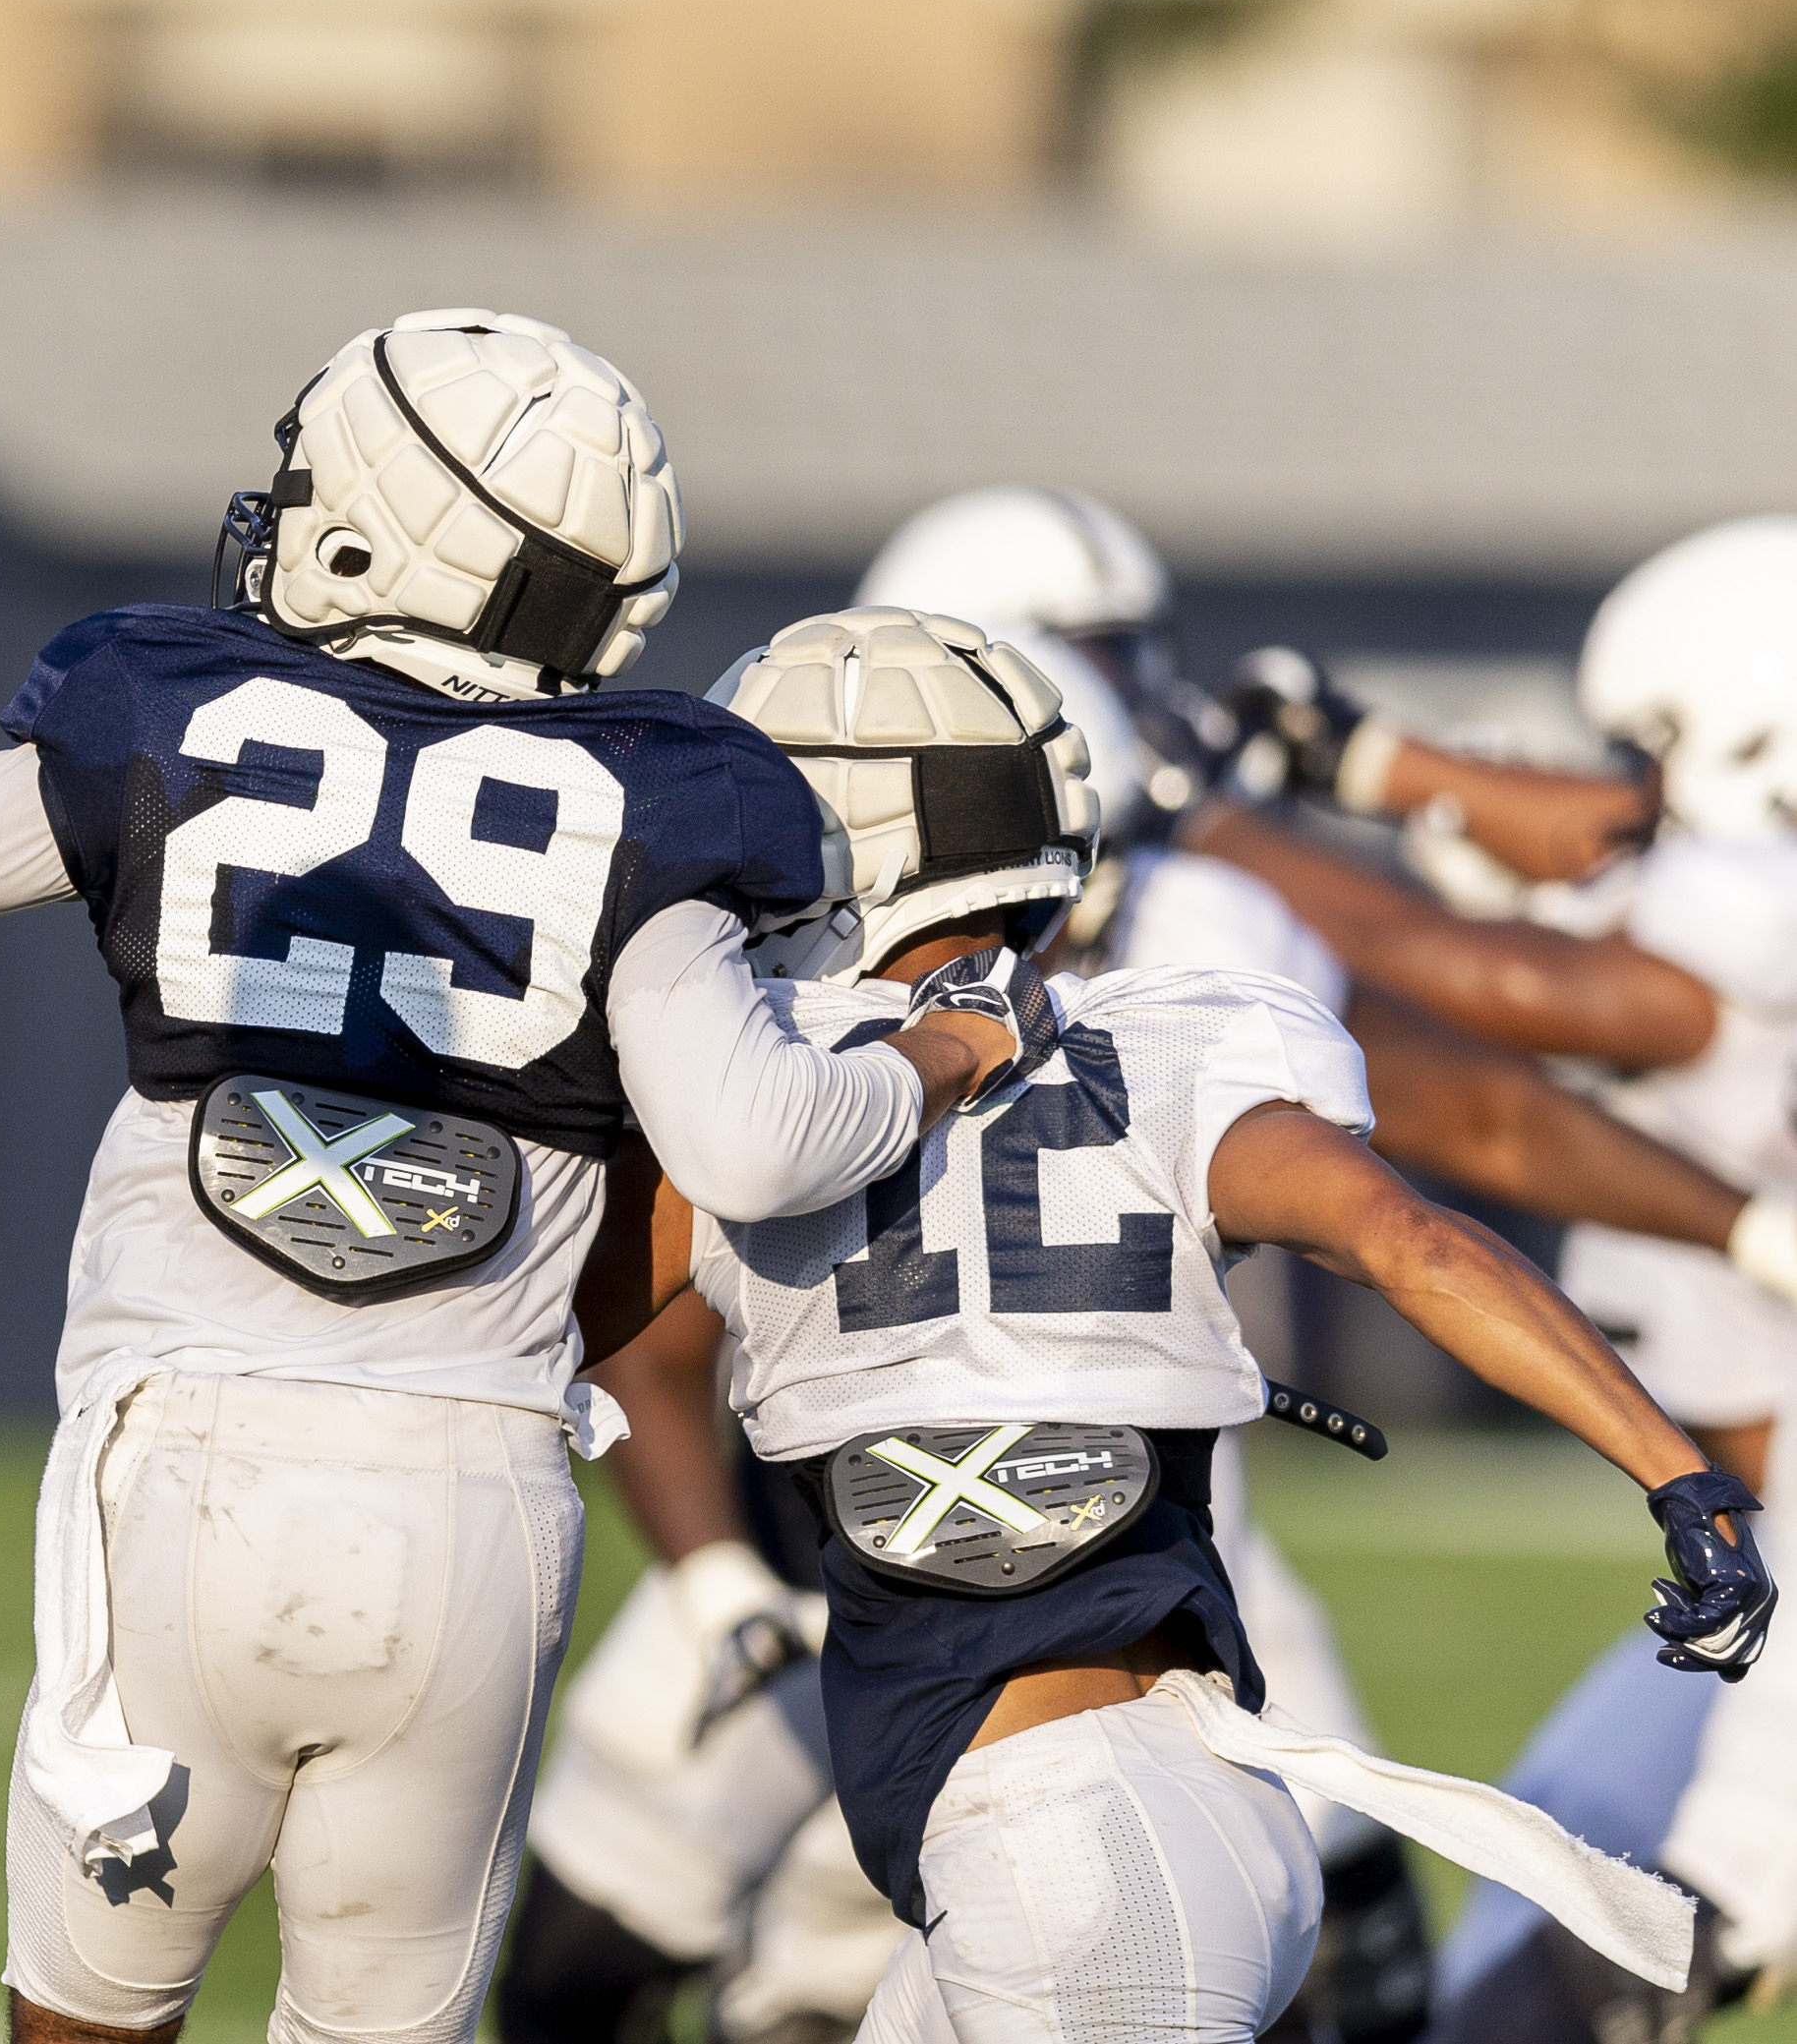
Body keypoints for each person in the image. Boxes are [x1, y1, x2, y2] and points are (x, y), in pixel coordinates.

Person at [0, 254, 1032, 2044]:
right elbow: (760, 1140)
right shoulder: (667, 794)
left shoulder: (164, 705)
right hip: (467, 1495)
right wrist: (948, 1049)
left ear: (387, 528)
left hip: (175, 1465)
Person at [508, 489, 1791, 2044]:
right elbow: (1413, 1216)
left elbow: (541, 1315)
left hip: (1066, 1802)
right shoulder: (1167, 1037)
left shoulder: (770, 1091)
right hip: (1107, 1762)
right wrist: (1672, 1471)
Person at [1192, 517, 1797, 2036]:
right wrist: (1372, 762)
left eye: (1647, 755)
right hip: (1767, 1554)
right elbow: (1583, 851)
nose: (1623, 795)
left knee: (1660, 1936)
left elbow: (1470, 969)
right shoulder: (1710, 883)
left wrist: (1192, 821)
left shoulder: (1742, 907)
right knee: (1542, 1913)